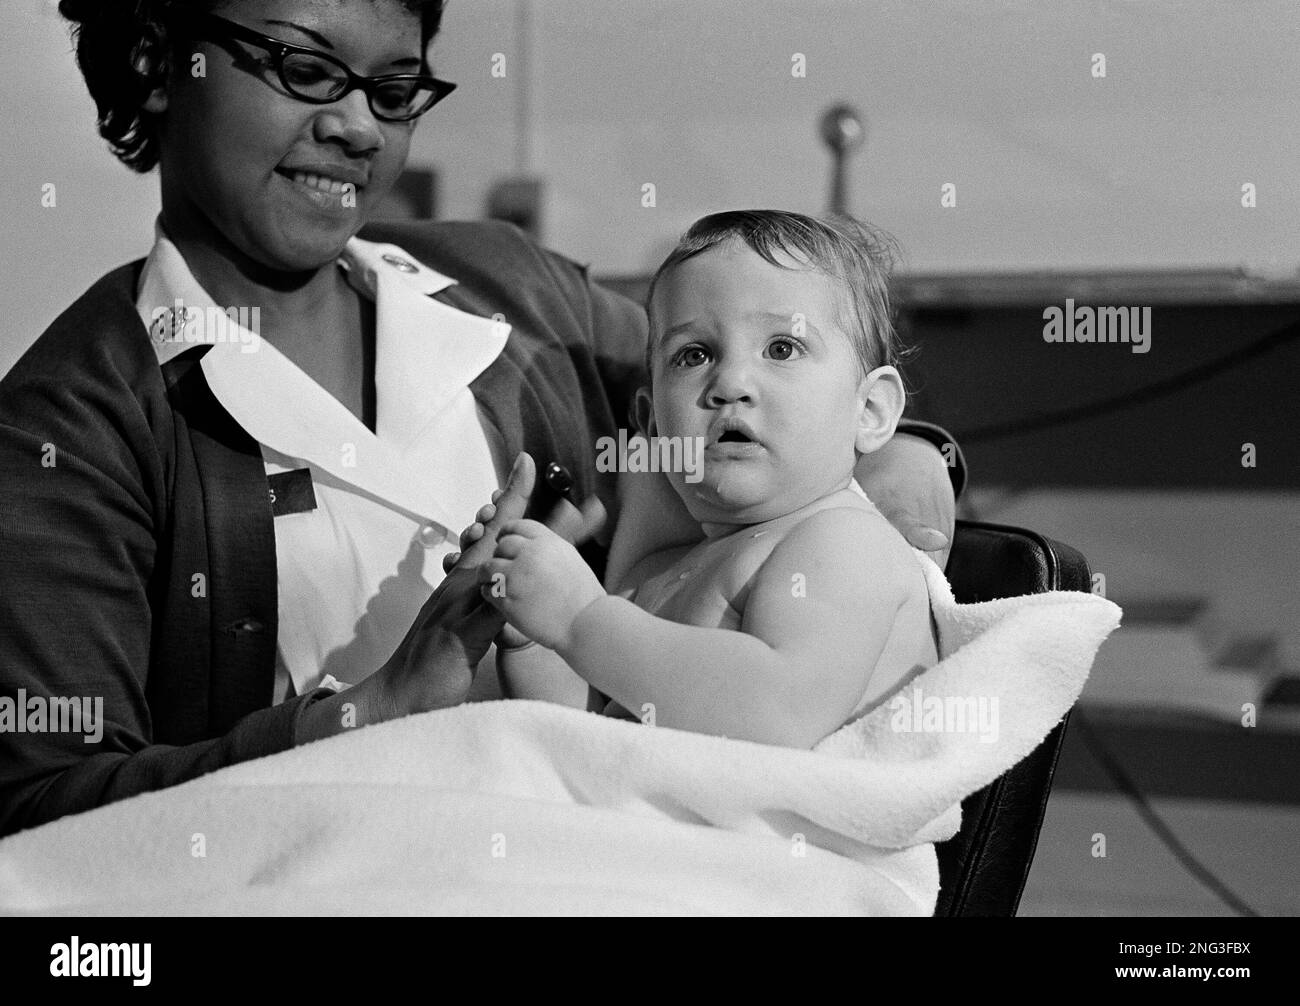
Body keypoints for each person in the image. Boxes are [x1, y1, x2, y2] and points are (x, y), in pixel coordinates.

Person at [0, 0, 963, 837]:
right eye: (303, 68)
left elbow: (764, 401)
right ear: (157, 61)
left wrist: (908, 457)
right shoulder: (72, 429)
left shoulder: (514, 292)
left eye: (395, 89)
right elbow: (39, 809)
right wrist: (366, 713)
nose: (355, 128)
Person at [468, 211, 938, 748]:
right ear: (650, 423)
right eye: (694, 355)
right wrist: (533, 635)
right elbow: (592, 731)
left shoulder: (843, 542)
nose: (730, 383)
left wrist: (579, 619)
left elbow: (778, 711)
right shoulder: (656, 572)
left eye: (782, 348)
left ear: (871, 410)